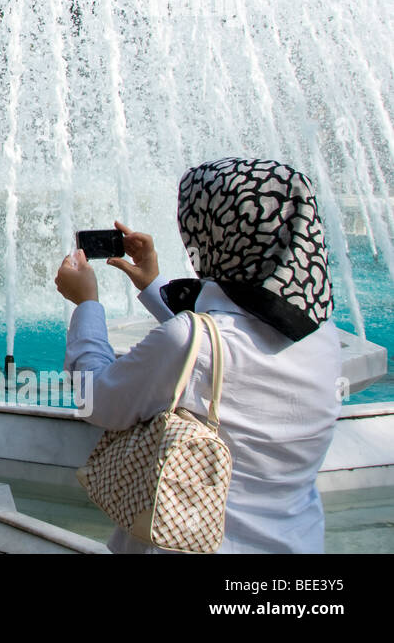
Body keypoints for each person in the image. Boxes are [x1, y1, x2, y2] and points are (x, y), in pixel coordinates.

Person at [54, 157, 342, 554]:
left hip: (192, 542)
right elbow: (228, 338)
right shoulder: (322, 334)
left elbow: (96, 400)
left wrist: (86, 304)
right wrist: (153, 284)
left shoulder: (190, 342)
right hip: (297, 541)